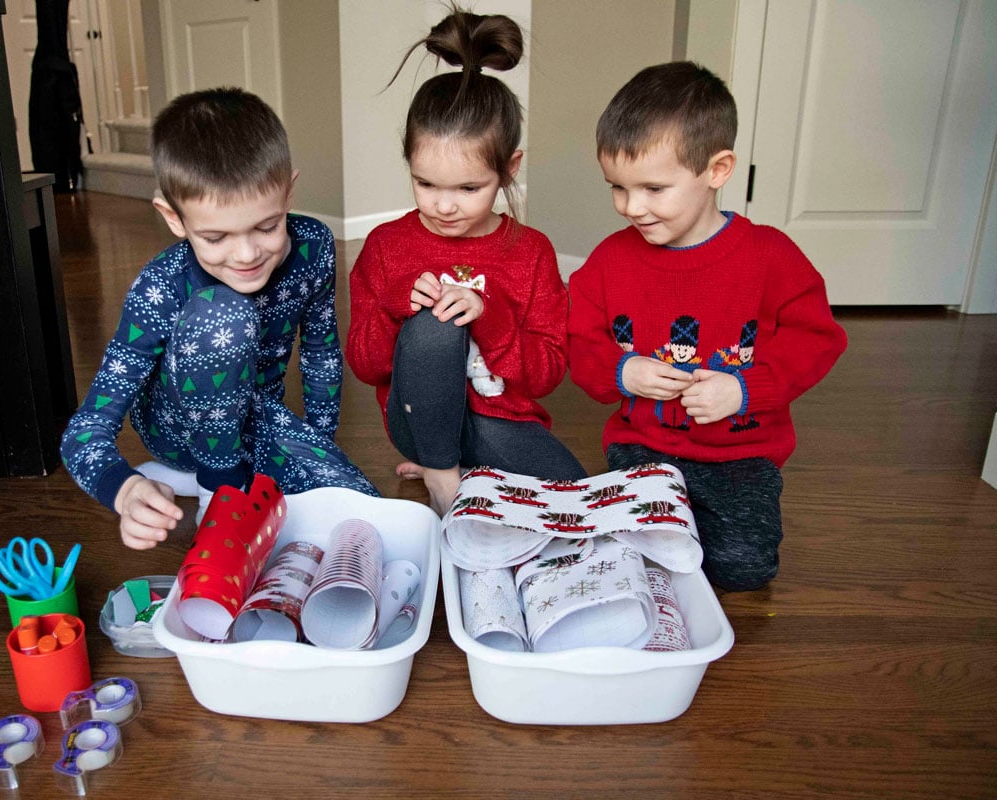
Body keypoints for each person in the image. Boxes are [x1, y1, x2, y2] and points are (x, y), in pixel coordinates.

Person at [568, 61, 848, 591]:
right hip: (641, 446)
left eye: (653, 188)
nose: (631, 207)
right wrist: (622, 372)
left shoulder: (771, 257)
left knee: (743, 568)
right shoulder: (609, 262)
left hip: (741, 455)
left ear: (717, 170)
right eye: (618, 188)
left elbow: (819, 338)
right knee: (626, 560)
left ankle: (691, 532)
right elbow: (579, 343)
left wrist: (744, 389)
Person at [62, 87, 377, 550]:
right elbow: (84, 430)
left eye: (267, 226)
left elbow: (320, 350)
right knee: (221, 312)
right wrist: (123, 488)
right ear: (173, 218)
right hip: (176, 428)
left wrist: (317, 440)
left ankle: (208, 476)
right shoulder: (161, 286)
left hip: (255, 417)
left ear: (288, 191)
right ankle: (214, 488)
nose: (247, 254)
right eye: (214, 237)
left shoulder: (315, 247)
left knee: (360, 512)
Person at [346, 7, 585, 517]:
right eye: (425, 183)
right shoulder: (386, 246)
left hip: (499, 421)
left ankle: (462, 465)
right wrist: (396, 307)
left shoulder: (532, 251)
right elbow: (365, 364)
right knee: (435, 322)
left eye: (469, 188)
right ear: (408, 160)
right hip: (414, 421)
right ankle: (440, 471)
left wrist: (490, 315)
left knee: (573, 494)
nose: (444, 205)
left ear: (509, 167)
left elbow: (546, 375)